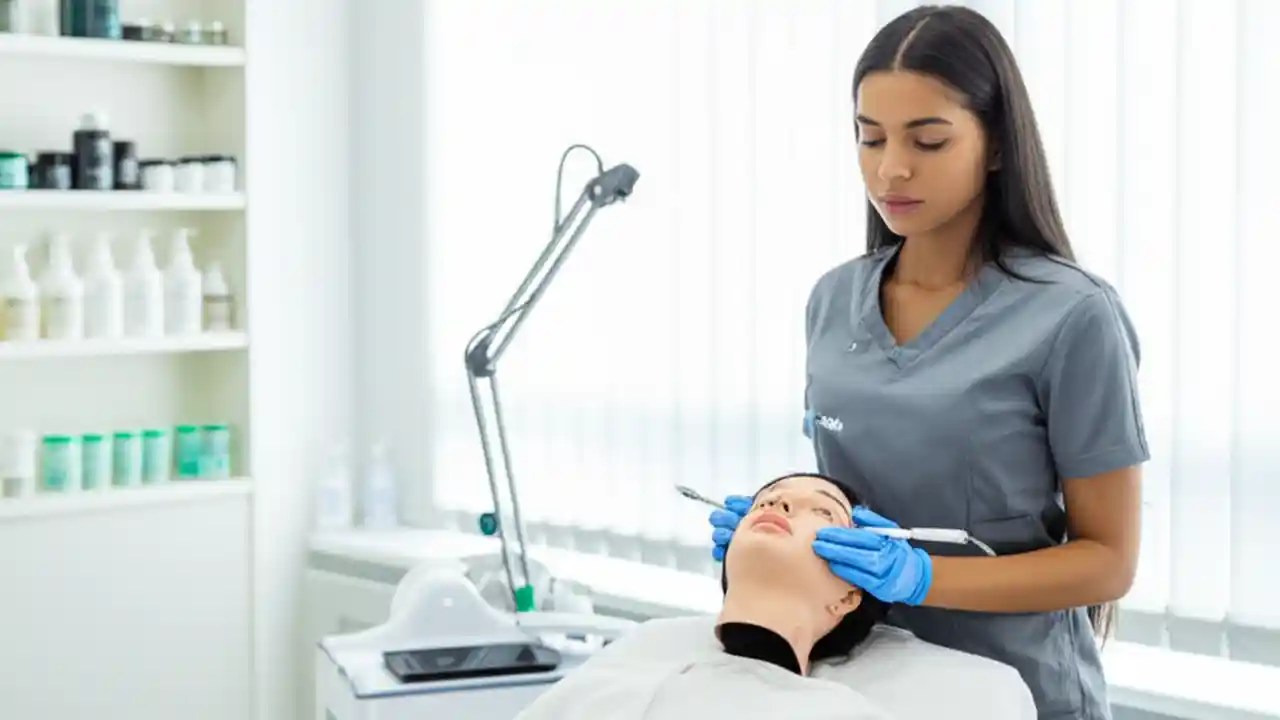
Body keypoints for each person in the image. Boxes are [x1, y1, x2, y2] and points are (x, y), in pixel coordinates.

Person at [709, 6, 1147, 720]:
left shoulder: (1073, 317)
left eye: (929, 140)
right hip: (865, 684)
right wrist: (772, 534)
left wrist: (919, 577)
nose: (891, 169)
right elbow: (862, 492)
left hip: (1016, 692)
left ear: (997, 144)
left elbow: (1108, 561)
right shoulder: (833, 300)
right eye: (869, 137)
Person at [517, 473, 1034, 720]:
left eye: (822, 512)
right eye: (768, 501)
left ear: (849, 596)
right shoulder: (607, 683)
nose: (783, 502)